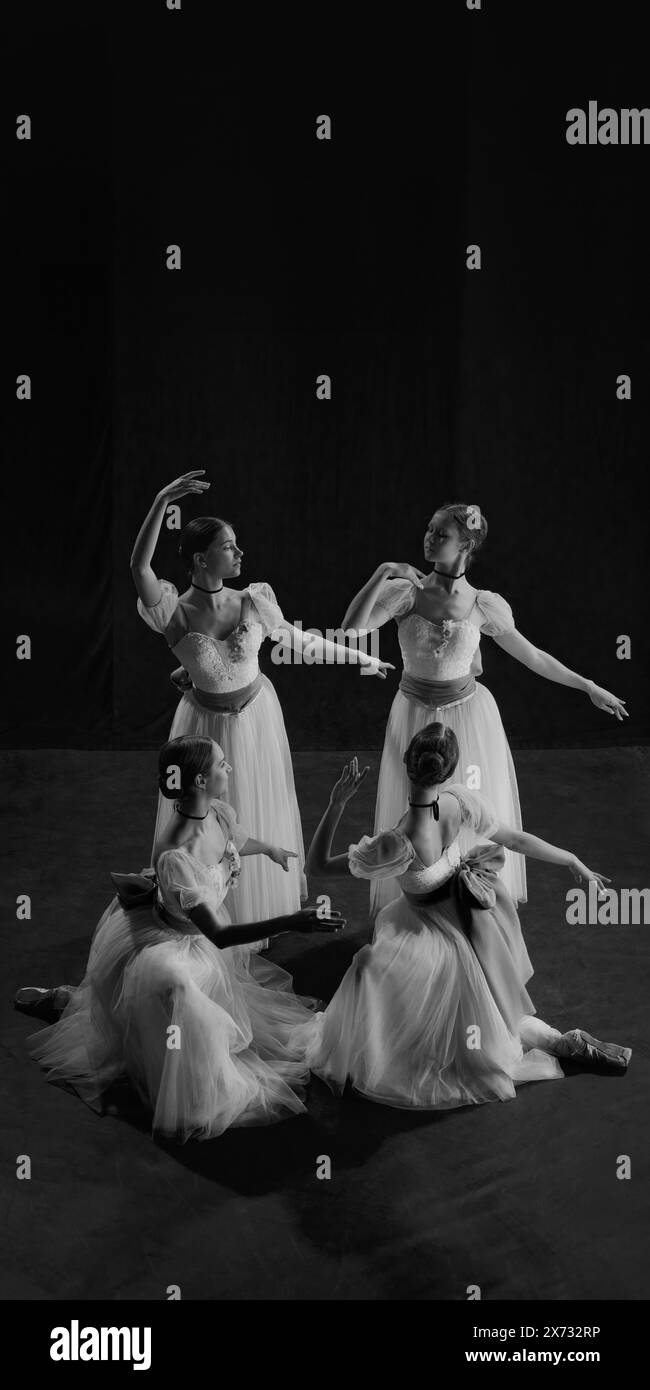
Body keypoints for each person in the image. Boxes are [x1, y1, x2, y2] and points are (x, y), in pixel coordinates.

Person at [21, 737, 345, 1143]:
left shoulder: (217, 811)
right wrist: (293, 921)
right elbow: (221, 935)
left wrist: (270, 850)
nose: (230, 770)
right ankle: (75, 1008)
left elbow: (235, 842)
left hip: (197, 936)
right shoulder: (175, 854)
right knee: (180, 995)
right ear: (200, 779)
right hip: (170, 945)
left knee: (203, 1009)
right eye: (222, 765)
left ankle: (87, 1008)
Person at [297, 724, 631, 1111]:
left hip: (430, 932)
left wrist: (337, 803)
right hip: (471, 917)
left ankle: (552, 1042)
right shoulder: (457, 802)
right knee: (492, 1015)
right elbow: (516, 839)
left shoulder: (396, 842)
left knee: (366, 968)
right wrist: (572, 859)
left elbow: (316, 865)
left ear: (406, 763)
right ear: (448, 772)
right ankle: (559, 1040)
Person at [130, 471, 392, 941]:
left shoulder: (253, 599)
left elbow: (301, 642)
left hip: (256, 717)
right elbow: (139, 570)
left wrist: (363, 657)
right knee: (213, 813)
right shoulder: (173, 610)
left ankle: (261, 905)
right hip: (206, 723)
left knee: (254, 805)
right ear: (199, 557)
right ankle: (211, 916)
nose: (239, 553)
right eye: (229, 546)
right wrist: (160, 501)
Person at [341, 501, 628, 918]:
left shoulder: (483, 604)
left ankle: (467, 896)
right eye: (429, 529)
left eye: (441, 534)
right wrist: (383, 571)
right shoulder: (406, 593)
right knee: (420, 810)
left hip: (467, 718)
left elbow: (533, 657)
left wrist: (587, 686)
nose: (429, 538)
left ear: (466, 545)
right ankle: (423, 896)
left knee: (468, 809)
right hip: (415, 713)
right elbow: (351, 631)